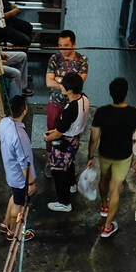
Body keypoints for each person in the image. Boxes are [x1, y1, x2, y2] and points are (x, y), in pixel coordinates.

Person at [88, 77, 136, 239]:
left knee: (104, 178)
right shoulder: (135, 114)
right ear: (126, 94)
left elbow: (94, 138)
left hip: (105, 153)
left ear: (110, 93)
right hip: (123, 157)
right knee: (115, 189)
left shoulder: (102, 112)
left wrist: (90, 156)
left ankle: (103, 205)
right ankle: (107, 227)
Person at [43, 72, 89, 213]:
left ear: (69, 90)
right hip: (75, 140)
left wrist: (47, 138)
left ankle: (64, 202)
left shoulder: (70, 109)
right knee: (70, 164)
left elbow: (59, 132)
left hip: (65, 143)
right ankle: (72, 185)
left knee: (58, 172)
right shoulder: (84, 98)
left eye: (63, 85)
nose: (60, 86)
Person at [0, 95, 36, 241]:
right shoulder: (20, 136)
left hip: (10, 171)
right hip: (20, 178)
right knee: (19, 207)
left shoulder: (3, 123)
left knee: (14, 197)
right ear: (25, 110)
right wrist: (31, 183)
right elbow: (24, 164)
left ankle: (5, 224)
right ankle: (13, 232)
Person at [45, 30, 89, 132]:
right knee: (51, 131)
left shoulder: (82, 60)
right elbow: (49, 82)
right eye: (60, 45)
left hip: (74, 105)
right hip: (56, 103)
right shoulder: (54, 58)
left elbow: (77, 84)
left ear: (74, 45)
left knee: (72, 132)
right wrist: (68, 83)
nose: (62, 49)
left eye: (65, 45)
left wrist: (58, 79)